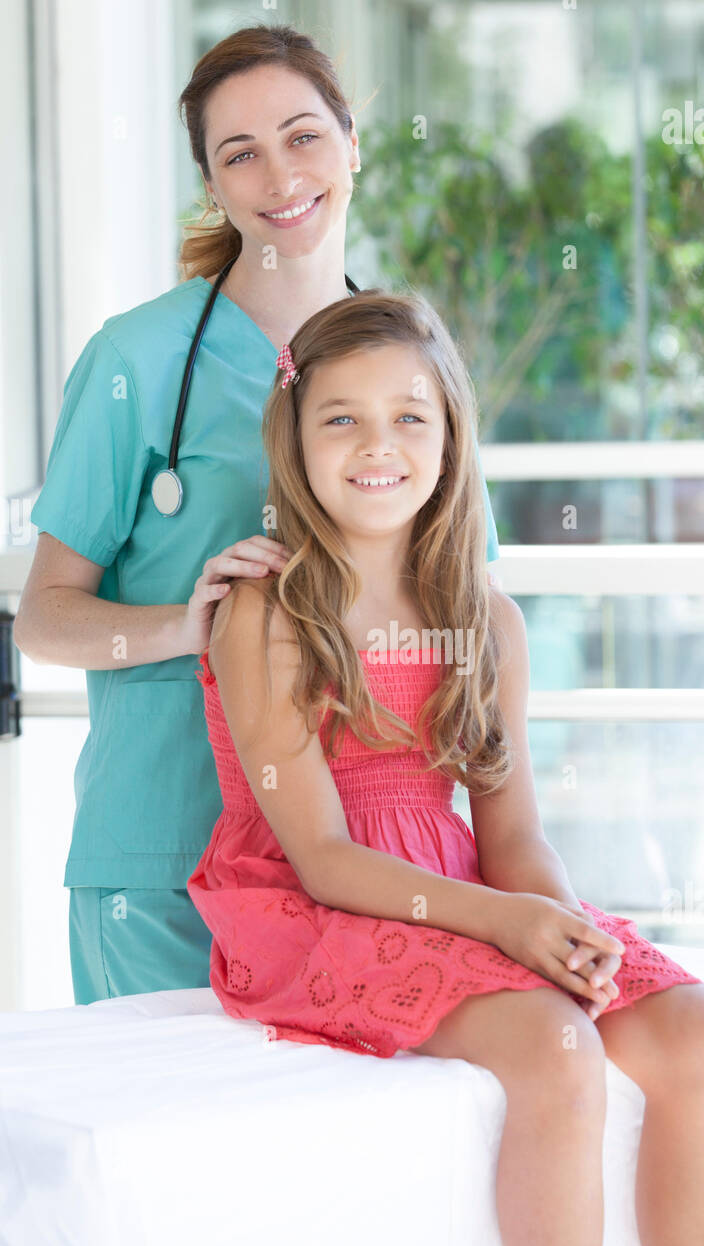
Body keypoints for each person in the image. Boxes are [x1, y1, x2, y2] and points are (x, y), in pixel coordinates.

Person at [186, 288, 704, 1246]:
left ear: (448, 434)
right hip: (309, 905)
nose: (377, 443)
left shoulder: (486, 620)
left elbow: (513, 831)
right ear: (295, 438)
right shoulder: (265, 611)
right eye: (340, 418)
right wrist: (507, 923)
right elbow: (321, 857)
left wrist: (558, 923)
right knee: (552, 1041)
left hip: (460, 887)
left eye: (409, 415)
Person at [13, 24, 500, 1005]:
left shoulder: (410, 360)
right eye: (240, 152)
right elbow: (44, 615)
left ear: (352, 142)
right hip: (163, 865)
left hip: (363, 876)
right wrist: (178, 627)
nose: (280, 173)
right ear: (213, 183)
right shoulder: (136, 362)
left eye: (303, 136)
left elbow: (466, 595)